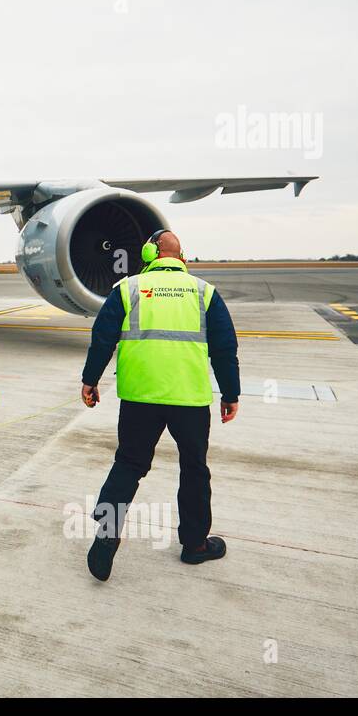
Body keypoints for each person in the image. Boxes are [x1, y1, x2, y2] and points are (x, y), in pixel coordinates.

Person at [80, 230, 240, 581]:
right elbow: (225, 349)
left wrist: (90, 380)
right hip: (190, 400)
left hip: (140, 398)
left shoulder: (128, 289)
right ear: (182, 256)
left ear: (150, 253)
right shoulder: (204, 292)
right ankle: (195, 545)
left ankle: (107, 533)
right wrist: (231, 394)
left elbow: (102, 340)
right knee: (194, 469)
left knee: (128, 466)